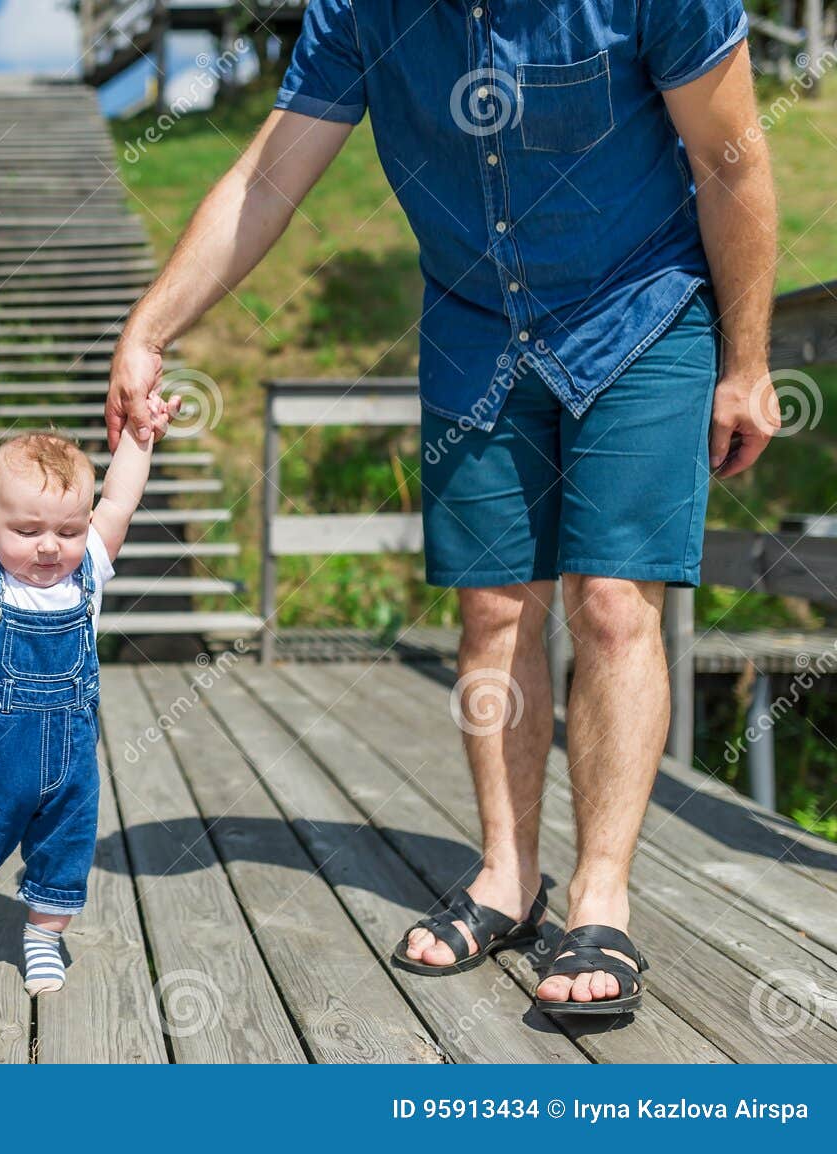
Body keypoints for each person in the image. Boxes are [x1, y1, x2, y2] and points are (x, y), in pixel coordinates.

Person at [106, 0, 778, 1017]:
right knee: (493, 610)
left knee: (612, 601)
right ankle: (507, 875)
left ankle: (601, 896)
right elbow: (265, 177)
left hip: (640, 309)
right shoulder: (359, 11)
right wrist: (150, 328)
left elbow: (730, 163)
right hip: (475, 325)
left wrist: (748, 363)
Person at [0, 405, 173, 995]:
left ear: (85, 528)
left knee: (65, 850)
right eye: (27, 532)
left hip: (69, 762)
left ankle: (44, 937)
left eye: (68, 532)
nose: (49, 547)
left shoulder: (89, 567)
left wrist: (140, 438)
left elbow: (121, 500)